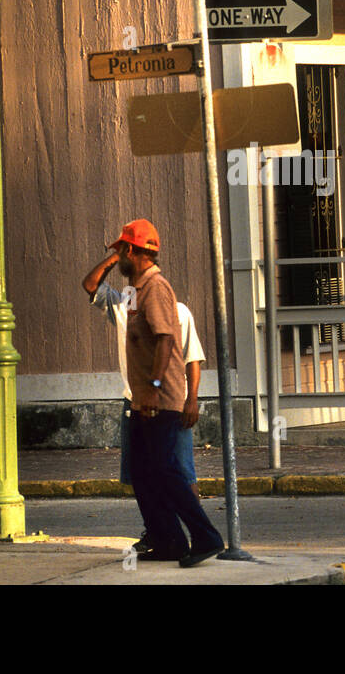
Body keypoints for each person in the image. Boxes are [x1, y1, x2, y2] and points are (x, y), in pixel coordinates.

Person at [108, 218, 223, 567]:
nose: (119, 259)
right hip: (144, 400)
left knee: (165, 470)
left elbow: (165, 338)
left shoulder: (156, 288)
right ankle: (169, 541)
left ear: (132, 251)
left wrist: (156, 388)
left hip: (161, 399)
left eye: (121, 251)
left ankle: (206, 536)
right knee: (143, 474)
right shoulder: (138, 291)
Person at [82, 246, 207, 553]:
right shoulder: (125, 306)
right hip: (135, 402)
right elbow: (91, 285)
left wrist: (192, 399)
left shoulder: (179, 311)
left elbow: (192, 358)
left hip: (167, 401)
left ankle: (200, 535)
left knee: (179, 470)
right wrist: (117, 257)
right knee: (142, 474)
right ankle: (162, 534)